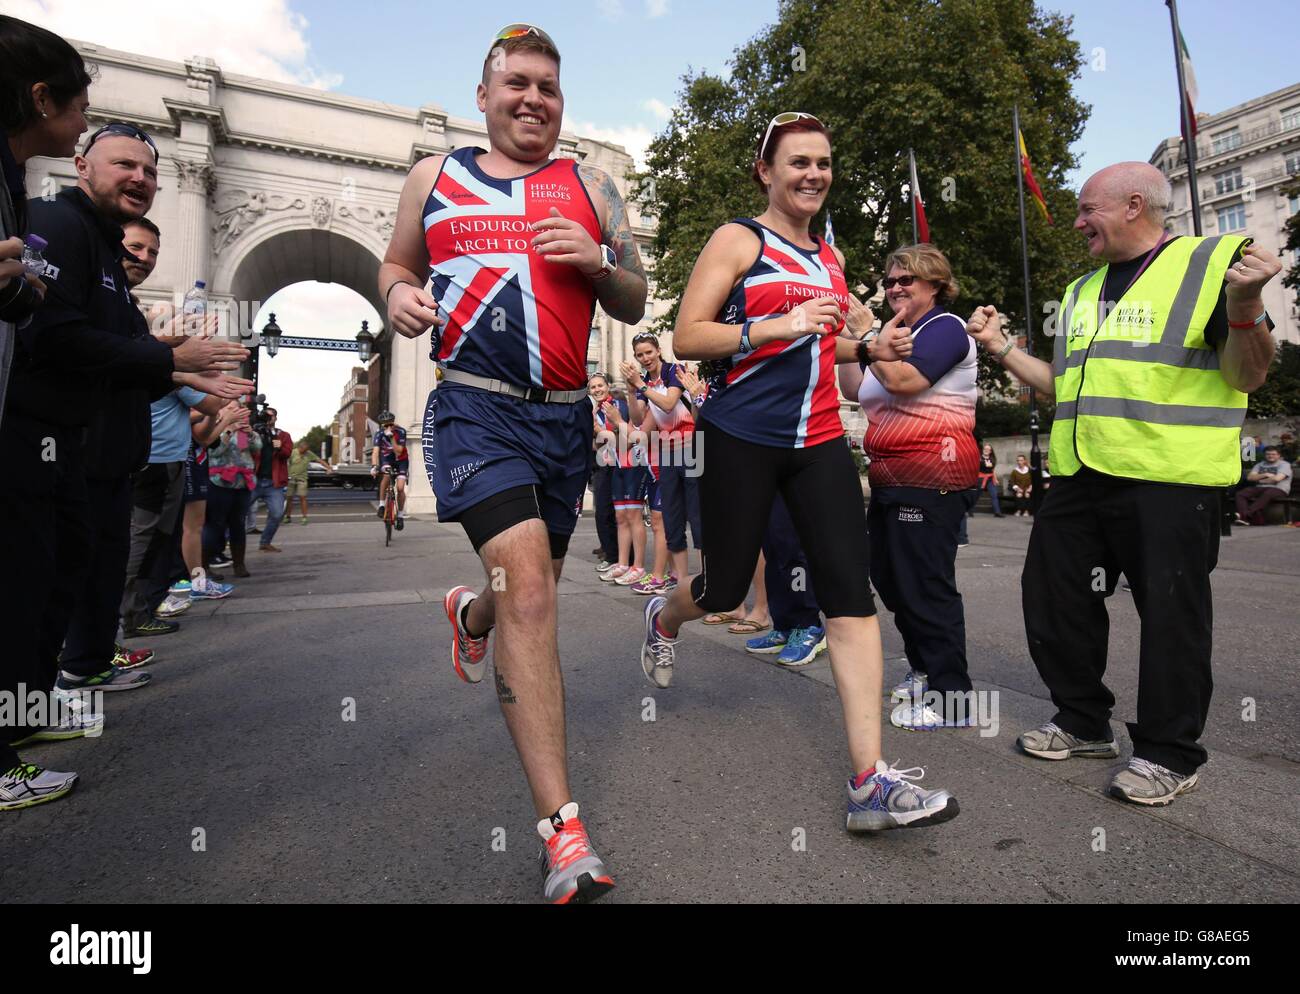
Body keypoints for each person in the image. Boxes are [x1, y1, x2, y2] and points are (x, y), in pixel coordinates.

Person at [379, 23, 647, 902]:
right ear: (486, 94)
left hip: (565, 423)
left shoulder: (593, 186)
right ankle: (563, 834)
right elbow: (393, 265)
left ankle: (474, 616)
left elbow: (636, 295)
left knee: (526, 591)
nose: (534, 99)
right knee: (532, 592)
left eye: (549, 87)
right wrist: (399, 298)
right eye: (518, 84)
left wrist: (601, 264)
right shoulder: (436, 176)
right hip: (473, 409)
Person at [637, 111, 960, 832]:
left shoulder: (831, 260)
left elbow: (827, 345)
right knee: (723, 585)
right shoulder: (738, 239)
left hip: (816, 442)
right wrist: (774, 326)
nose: (813, 174)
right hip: (740, 435)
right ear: (766, 171)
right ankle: (666, 614)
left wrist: (871, 347)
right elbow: (689, 335)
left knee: (849, 596)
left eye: (822, 162)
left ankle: (869, 782)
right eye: (797, 162)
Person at [966, 160, 1281, 805]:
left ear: (1135, 204)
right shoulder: (1082, 291)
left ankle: (1170, 752)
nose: (1078, 221)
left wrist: (1246, 307)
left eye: (1088, 209)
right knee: (1054, 600)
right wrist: (999, 348)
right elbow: (1067, 385)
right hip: (1084, 473)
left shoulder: (1208, 266)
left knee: (1170, 617)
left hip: (1170, 478)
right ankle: (1083, 723)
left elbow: (1249, 376)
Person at [0, 14, 90, 808]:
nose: (84, 121)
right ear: (39, 97)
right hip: (28, 433)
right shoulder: (56, 215)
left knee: (35, 590)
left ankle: (21, 725)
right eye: (80, 108)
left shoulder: (21, 188)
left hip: (47, 438)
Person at [839, 243, 980, 729]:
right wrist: (849, 339)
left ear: (936, 285)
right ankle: (924, 668)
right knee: (892, 580)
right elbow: (854, 389)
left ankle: (953, 698)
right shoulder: (897, 332)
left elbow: (903, 381)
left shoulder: (945, 329)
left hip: (933, 475)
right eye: (890, 281)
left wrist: (868, 334)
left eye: (907, 280)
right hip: (891, 477)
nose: (895, 288)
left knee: (925, 585)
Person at [118, 216, 228, 636]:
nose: (145, 258)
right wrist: (211, 374)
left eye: (152, 252)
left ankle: (142, 607)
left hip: (161, 458)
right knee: (146, 540)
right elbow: (211, 406)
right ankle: (132, 612)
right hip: (158, 460)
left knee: (153, 538)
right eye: (136, 249)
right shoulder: (169, 371)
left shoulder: (164, 365)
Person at [622, 331, 701, 593]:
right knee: (672, 517)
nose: (645, 358)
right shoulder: (644, 380)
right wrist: (632, 391)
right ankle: (679, 579)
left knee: (697, 516)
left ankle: (707, 579)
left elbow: (668, 404)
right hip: (666, 452)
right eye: (639, 355)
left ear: (658, 350)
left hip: (692, 448)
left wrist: (642, 386)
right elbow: (638, 417)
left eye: (648, 352)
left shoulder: (673, 370)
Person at [203, 404, 261, 578]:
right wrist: (228, 429)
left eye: (238, 408)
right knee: (214, 525)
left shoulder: (242, 430)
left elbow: (255, 448)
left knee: (238, 525)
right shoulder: (213, 426)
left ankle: (239, 564)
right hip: (219, 482)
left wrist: (249, 433)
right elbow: (215, 452)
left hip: (242, 483)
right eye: (231, 408)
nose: (236, 411)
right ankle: (204, 565)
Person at [587, 373, 620, 571]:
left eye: (600, 385)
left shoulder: (615, 406)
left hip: (621, 463)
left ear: (607, 386)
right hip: (603, 464)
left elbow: (621, 434)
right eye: (593, 387)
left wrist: (598, 430)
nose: (597, 389)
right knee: (603, 512)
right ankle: (611, 553)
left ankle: (619, 557)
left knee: (618, 514)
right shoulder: (594, 410)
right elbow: (595, 443)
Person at [250, 406, 292, 551]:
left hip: (274, 482)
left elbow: (287, 454)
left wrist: (279, 447)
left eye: (271, 416)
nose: (269, 419)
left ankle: (265, 542)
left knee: (277, 514)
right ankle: (222, 543)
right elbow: (241, 449)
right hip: (253, 480)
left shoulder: (283, 435)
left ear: (276, 418)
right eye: (265, 416)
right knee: (237, 512)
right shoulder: (252, 433)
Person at [369, 410, 408, 528]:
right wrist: (374, 466)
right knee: (386, 475)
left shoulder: (401, 432)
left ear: (394, 423)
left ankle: (400, 516)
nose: (389, 427)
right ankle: (381, 505)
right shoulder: (379, 433)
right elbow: (375, 452)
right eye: (386, 425)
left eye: (391, 424)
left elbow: (399, 451)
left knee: (400, 488)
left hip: (401, 460)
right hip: (387, 459)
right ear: (382, 426)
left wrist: (392, 438)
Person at [1235, 445, 1291, 525]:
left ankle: (1244, 516)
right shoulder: (1260, 465)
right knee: (1241, 494)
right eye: (1268, 454)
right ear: (1265, 455)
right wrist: (1265, 474)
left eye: (1273, 454)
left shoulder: (1284, 465)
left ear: (1278, 455)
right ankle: (1245, 518)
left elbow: (1277, 479)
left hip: (1279, 489)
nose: (1270, 456)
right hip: (1260, 488)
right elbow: (1250, 478)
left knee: (1268, 493)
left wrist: (1260, 480)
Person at [286, 438, 330, 525]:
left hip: (302, 479)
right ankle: (288, 516)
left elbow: (320, 461)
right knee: (289, 498)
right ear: (299, 448)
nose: (305, 452)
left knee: (303, 497)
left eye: (306, 450)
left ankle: (304, 517)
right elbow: (285, 462)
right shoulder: (293, 452)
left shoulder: (309, 454)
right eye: (303, 450)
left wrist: (329, 468)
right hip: (291, 478)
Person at [977, 443, 1004, 516]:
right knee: (976, 495)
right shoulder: (978, 458)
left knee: (994, 494)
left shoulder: (992, 459)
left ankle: (997, 512)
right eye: (985, 449)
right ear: (983, 450)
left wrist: (996, 479)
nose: (986, 450)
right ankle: (969, 511)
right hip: (980, 478)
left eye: (988, 449)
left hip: (990, 479)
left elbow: (992, 470)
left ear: (990, 451)